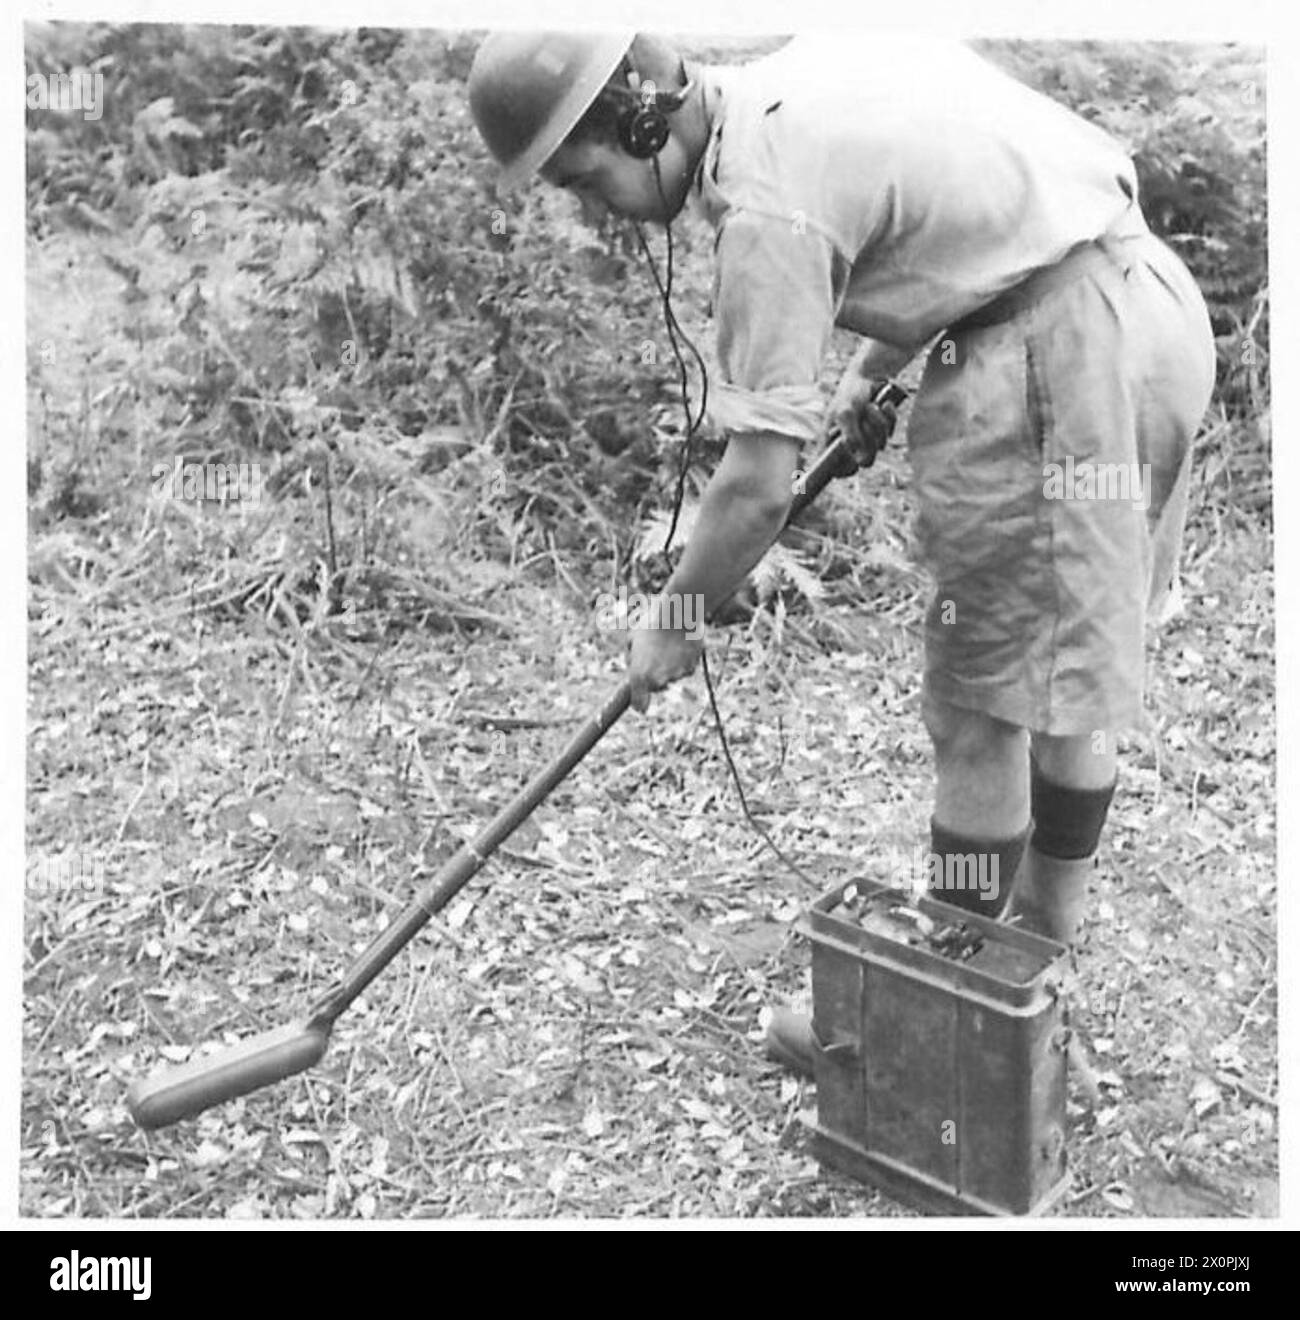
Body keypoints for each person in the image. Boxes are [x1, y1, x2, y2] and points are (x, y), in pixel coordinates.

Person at [467, 31, 1216, 1075]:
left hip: (1055, 363)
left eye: (587, 176)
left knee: (979, 710)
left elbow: (754, 483)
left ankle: (953, 1007)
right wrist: (877, 364)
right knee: (1068, 680)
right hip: (1142, 309)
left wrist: (675, 621)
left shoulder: (763, 210)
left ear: (641, 114)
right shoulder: (799, 75)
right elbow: (960, 205)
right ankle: (1033, 968)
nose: (596, 207)